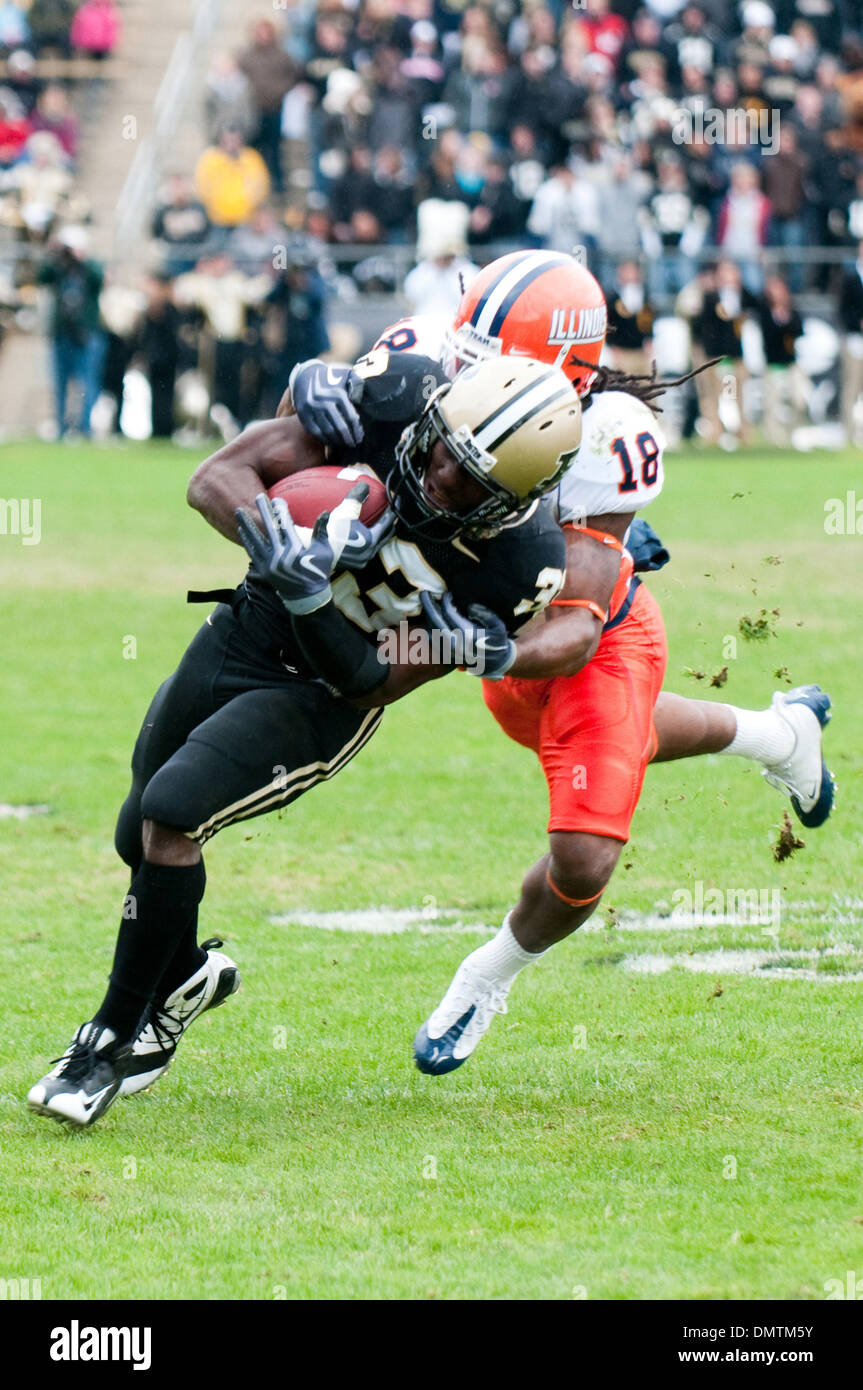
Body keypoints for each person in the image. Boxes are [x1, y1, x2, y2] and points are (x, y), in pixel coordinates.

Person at [284, 252, 833, 1075]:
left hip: (590, 640)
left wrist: (479, 646)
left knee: (584, 852)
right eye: (468, 356)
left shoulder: (608, 438)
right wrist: (308, 386)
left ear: (560, 376)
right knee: (611, 742)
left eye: (491, 365)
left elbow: (571, 630)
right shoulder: (439, 347)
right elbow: (330, 417)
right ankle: (778, 735)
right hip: (501, 649)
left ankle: (488, 974)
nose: (463, 377)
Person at [27, 350, 581, 1127]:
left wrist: (315, 592)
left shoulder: (516, 564)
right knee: (137, 833)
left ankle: (107, 1043)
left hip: (323, 694)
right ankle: (185, 974)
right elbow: (214, 478)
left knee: (173, 811)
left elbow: (370, 679)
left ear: (509, 502)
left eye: (467, 482)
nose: (436, 479)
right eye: (438, 452)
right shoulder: (393, 403)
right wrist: (276, 535)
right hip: (245, 628)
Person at [38, 226, 105, 438]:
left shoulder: (90, 267)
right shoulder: (59, 268)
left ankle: (85, 428)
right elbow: (42, 276)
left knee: (87, 382)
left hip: (85, 334)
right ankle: (61, 428)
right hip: (62, 334)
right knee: (60, 384)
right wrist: (53, 253)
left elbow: (98, 278)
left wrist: (82, 258)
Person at [194, 124, 270, 235]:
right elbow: (203, 188)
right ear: (221, 141)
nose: (231, 144)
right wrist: (216, 209)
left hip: (245, 220)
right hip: (217, 220)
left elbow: (260, 187)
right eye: (228, 140)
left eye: (235, 140)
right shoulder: (210, 160)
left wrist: (248, 207)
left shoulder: (251, 158)